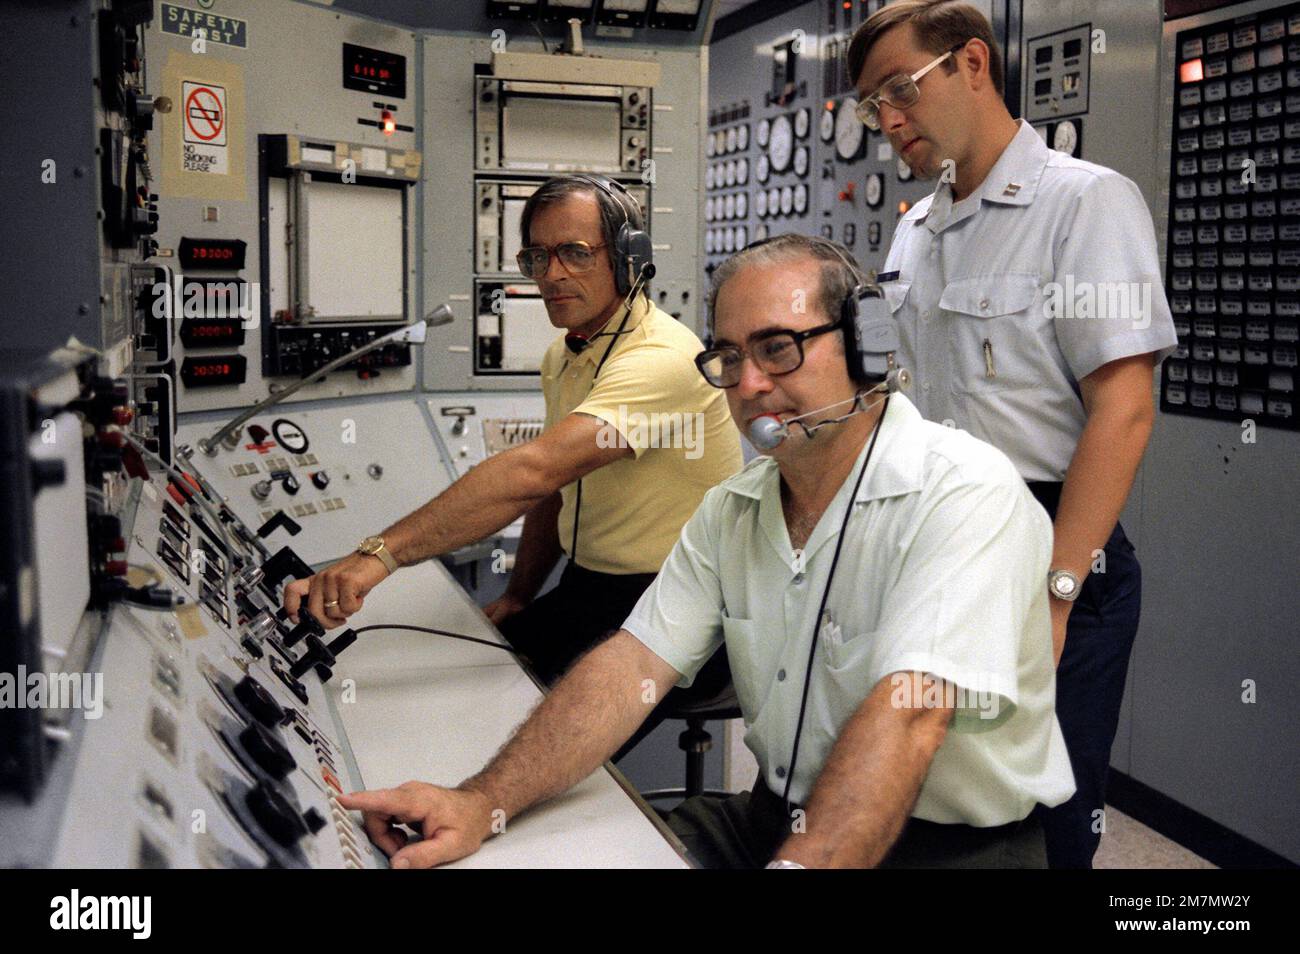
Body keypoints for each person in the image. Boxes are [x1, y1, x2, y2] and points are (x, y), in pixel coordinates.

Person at [338, 236, 1075, 869]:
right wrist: (480, 803)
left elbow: (908, 716)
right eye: (728, 357)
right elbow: (634, 665)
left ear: (864, 344)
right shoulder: (736, 507)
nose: (751, 385)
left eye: (779, 349)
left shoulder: (964, 493)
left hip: (945, 850)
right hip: (773, 815)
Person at [848, 0, 1178, 867]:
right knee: (939, 800)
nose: (887, 122)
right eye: (868, 107)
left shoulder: (1085, 204)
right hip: (939, 542)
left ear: (972, 64)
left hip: (1052, 547)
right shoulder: (916, 232)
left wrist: (1059, 589)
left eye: (899, 91)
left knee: (1051, 814)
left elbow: (1126, 408)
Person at [284, 175, 741, 739]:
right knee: (472, 689)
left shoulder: (664, 358)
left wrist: (378, 556)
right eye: (537, 257)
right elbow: (554, 491)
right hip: (591, 589)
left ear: (630, 259)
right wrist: (521, 594)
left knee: (519, 747)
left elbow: (532, 473)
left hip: (678, 610)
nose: (552, 276)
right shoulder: (568, 351)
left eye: (575, 253)